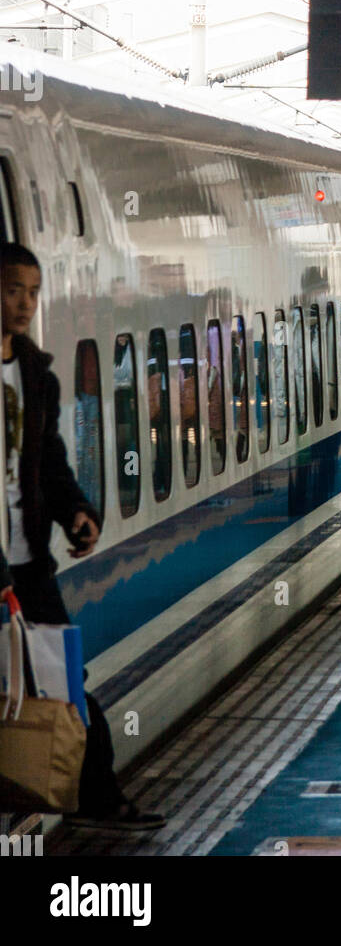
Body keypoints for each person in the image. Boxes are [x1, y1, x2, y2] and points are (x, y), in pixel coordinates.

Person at [0, 242, 165, 833]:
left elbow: (49, 462)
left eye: (33, 292)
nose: (24, 303)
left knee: (66, 682)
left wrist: (77, 513)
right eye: (13, 288)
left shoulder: (34, 376)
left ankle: (97, 797)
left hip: (27, 565)